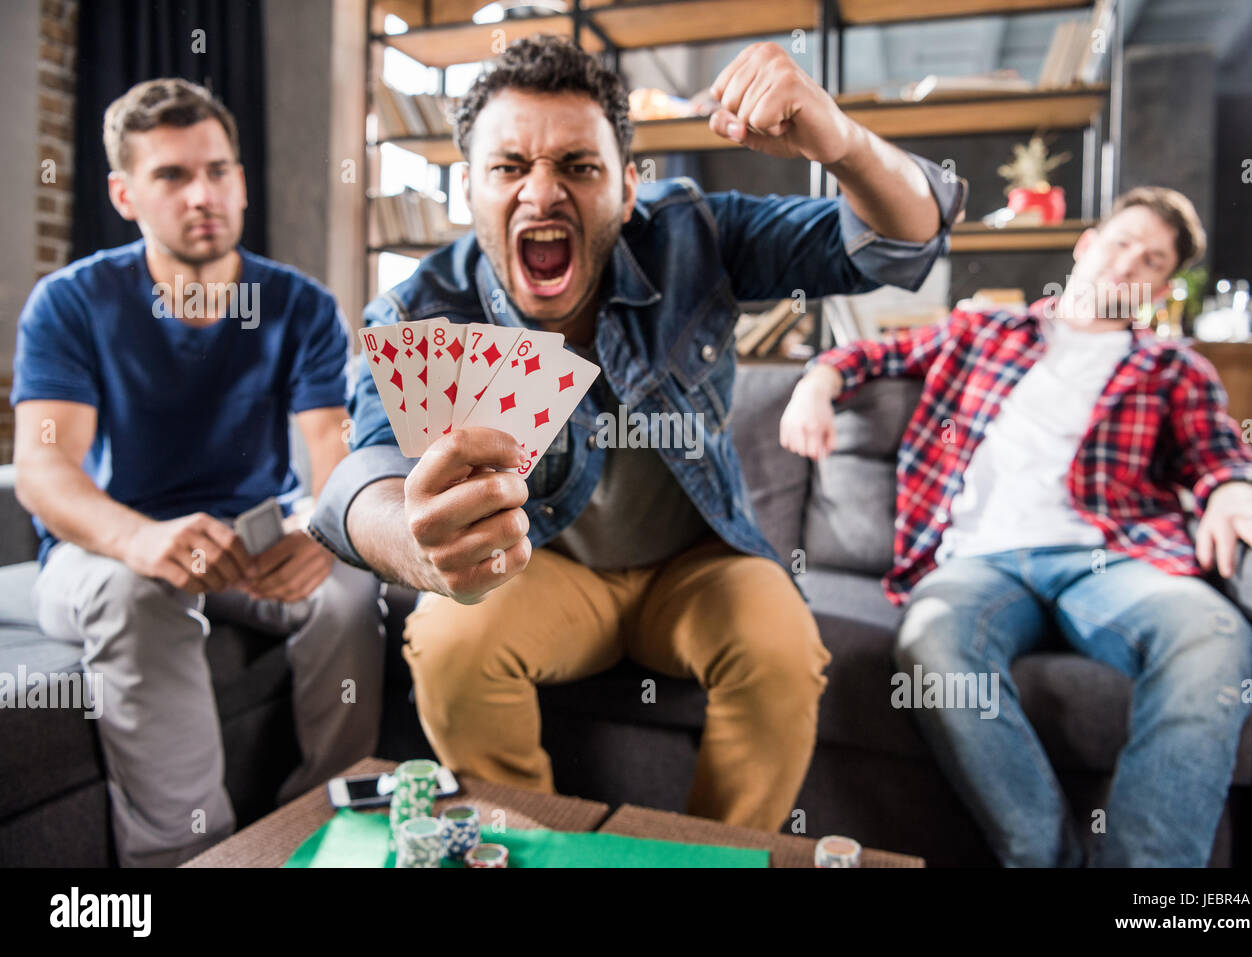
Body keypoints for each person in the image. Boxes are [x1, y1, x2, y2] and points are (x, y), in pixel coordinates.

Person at [307, 35, 966, 831]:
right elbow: (358, 473)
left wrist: (841, 140)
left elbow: (901, 244)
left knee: (782, 643)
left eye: (579, 167)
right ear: (470, 192)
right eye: (509, 168)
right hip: (542, 573)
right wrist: (409, 542)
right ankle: (538, 849)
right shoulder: (427, 307)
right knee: (447, 633)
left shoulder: (695, 236)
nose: (542, 194)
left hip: (697, 568)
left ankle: (713, 856)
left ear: (627, 189)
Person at [780, 186, 1252, 865]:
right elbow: (867, 357)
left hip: (1109, 559)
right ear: (1086, 246)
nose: (1126, 264)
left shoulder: (1171, 368)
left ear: (1160, 287)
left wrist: (1235, 493)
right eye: (1120, 242)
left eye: (1150, 260)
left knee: (1213, 632)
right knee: (932, 644)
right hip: (976, 562)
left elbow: (1220, 454)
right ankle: (1042, 856)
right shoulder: (986, 329)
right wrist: (814, 386)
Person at [10, 78, 385, 867]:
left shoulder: (301, 306)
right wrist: (141, 541)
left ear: (241, 182)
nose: (203, 194)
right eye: (172, 176)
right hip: (110, 547)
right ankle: (192, 859)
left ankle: (327, 825)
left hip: (249, 540)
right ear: (123, 193)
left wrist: (327, 528)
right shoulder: (71, 303)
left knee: (351, 582)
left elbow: (332, 450)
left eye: (218, 170)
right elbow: (44, 467)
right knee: (132, 590)